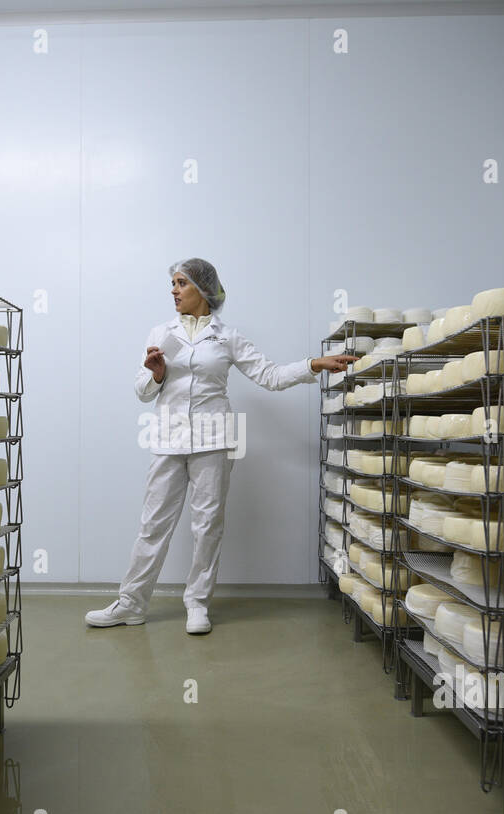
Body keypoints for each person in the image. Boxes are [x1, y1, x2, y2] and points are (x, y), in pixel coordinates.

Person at [85, 258, 355, 636]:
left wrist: (313, 364)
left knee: (207, 525)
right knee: (152, 525)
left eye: (182, 283)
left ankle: (197, 603)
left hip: (215, 439)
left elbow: (270, 375)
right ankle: (131, 603)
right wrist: (156, 375)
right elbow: (141, 391)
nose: (174, 290)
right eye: (173, 284)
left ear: (202, 289)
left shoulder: (227, 337)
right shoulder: (161, 332)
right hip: (166, 437)